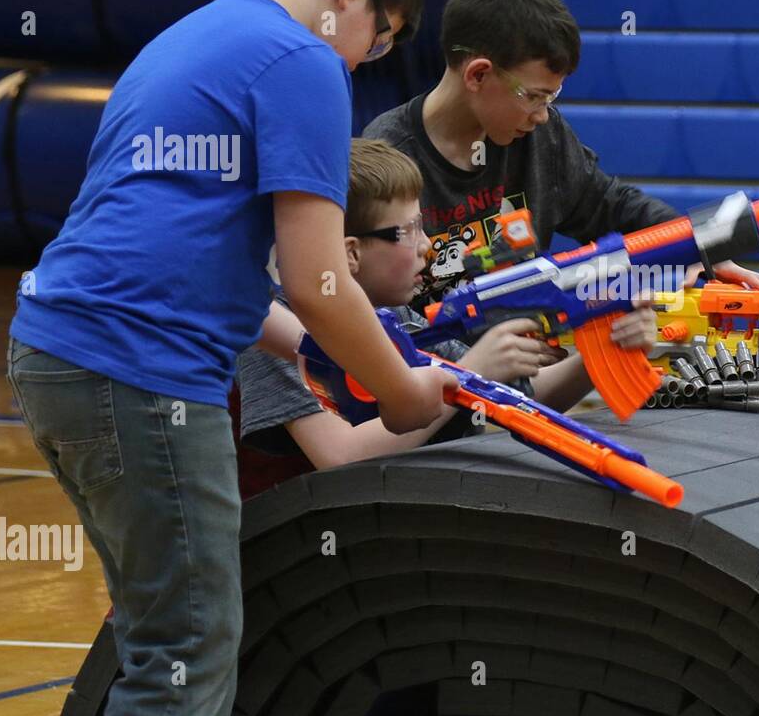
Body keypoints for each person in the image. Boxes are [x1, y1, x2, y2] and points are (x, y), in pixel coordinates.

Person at [5, 0, 455, 716]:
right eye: (379, 37)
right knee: (188, 657)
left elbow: (180, 250)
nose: (363, 60)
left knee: (156, 642)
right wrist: (403, 392)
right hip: (139, 374)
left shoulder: (191, 34)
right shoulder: (304, 59)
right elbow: (322, 284)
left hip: (54, 355)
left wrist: (304, 344)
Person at [235, 138, 658, 492]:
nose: (428, 247)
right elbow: (340, 456)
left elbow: (528, 401)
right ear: (351, 253)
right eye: (409, 231)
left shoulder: (395, 311)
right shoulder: (284, 331)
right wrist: (472, 370)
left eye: (423, 226)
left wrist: (601, 347)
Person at [363, 0, 759, 296]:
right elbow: (380, 319)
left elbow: (612, 207)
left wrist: (698, 247)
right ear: (477, 75)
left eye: (551, 97)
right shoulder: (389, 156)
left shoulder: (541, 137)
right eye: (534, 96)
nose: (542, 115)